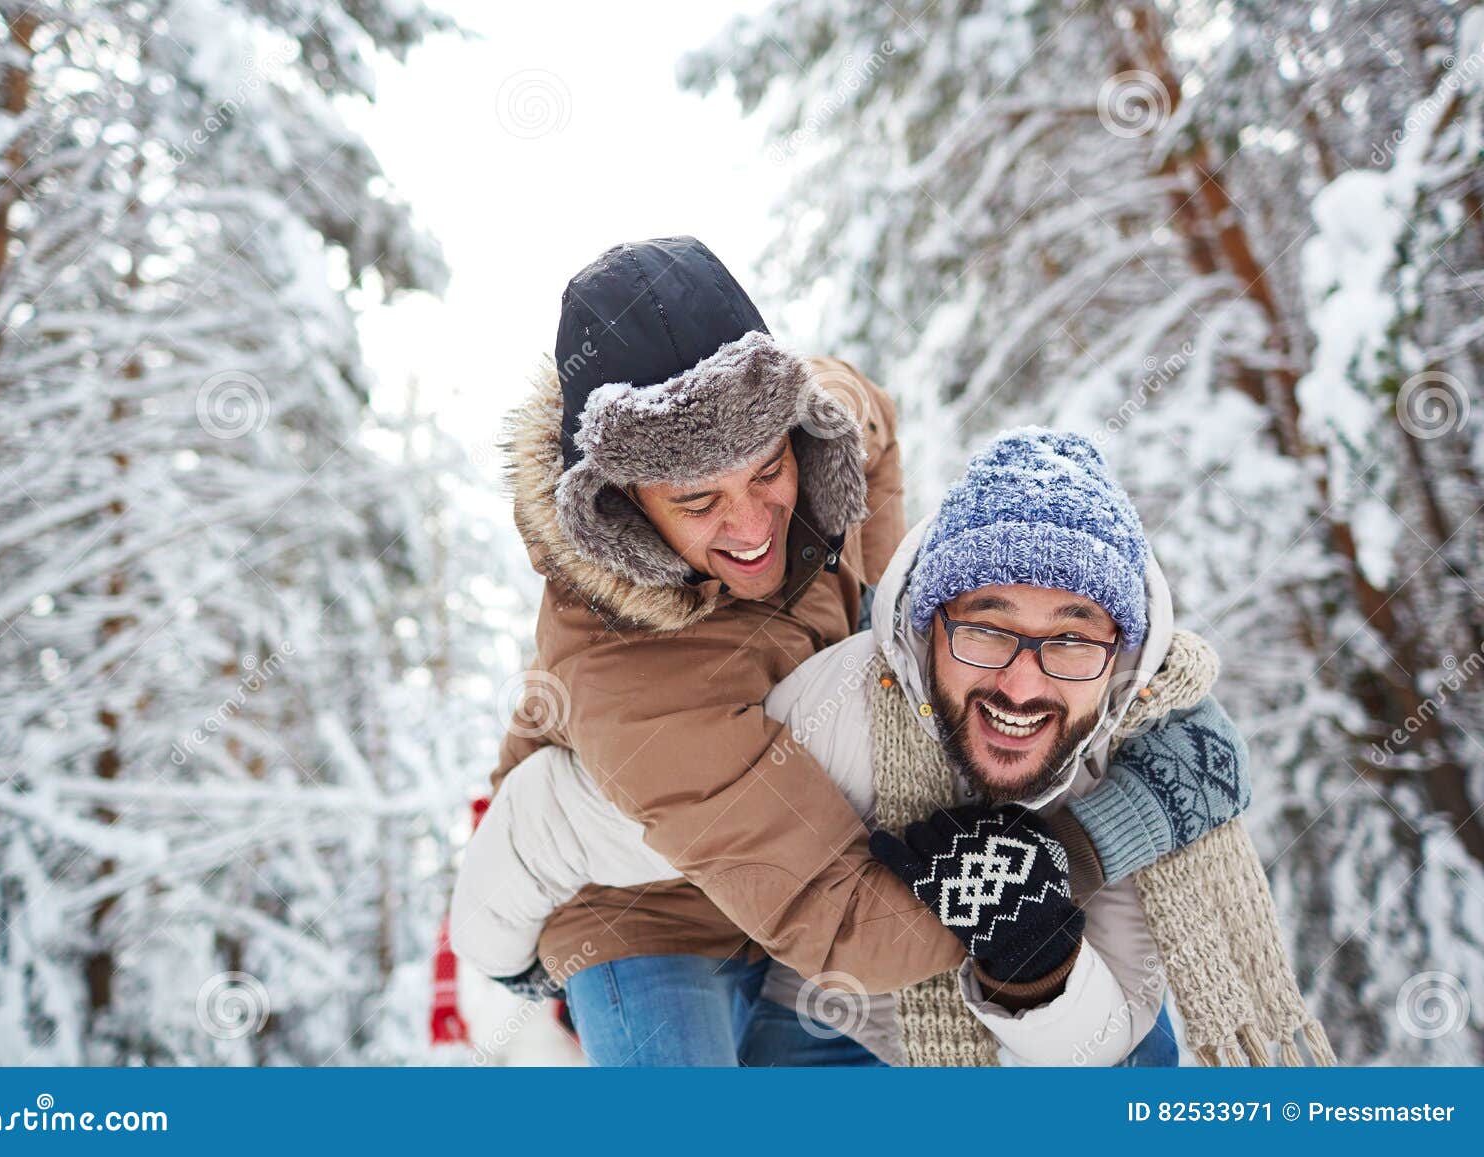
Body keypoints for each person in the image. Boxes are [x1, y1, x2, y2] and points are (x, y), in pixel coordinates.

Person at [462, 242, 1267, 1065]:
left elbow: (866, 416)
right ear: (621, 506)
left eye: (767, 470)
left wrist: (884, 609)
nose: (751, 527)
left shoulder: (819, 447)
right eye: (698, 501)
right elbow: (844, 924)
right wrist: (1073, 855)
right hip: (647, 909)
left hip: (796, 844)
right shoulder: (631, 678)